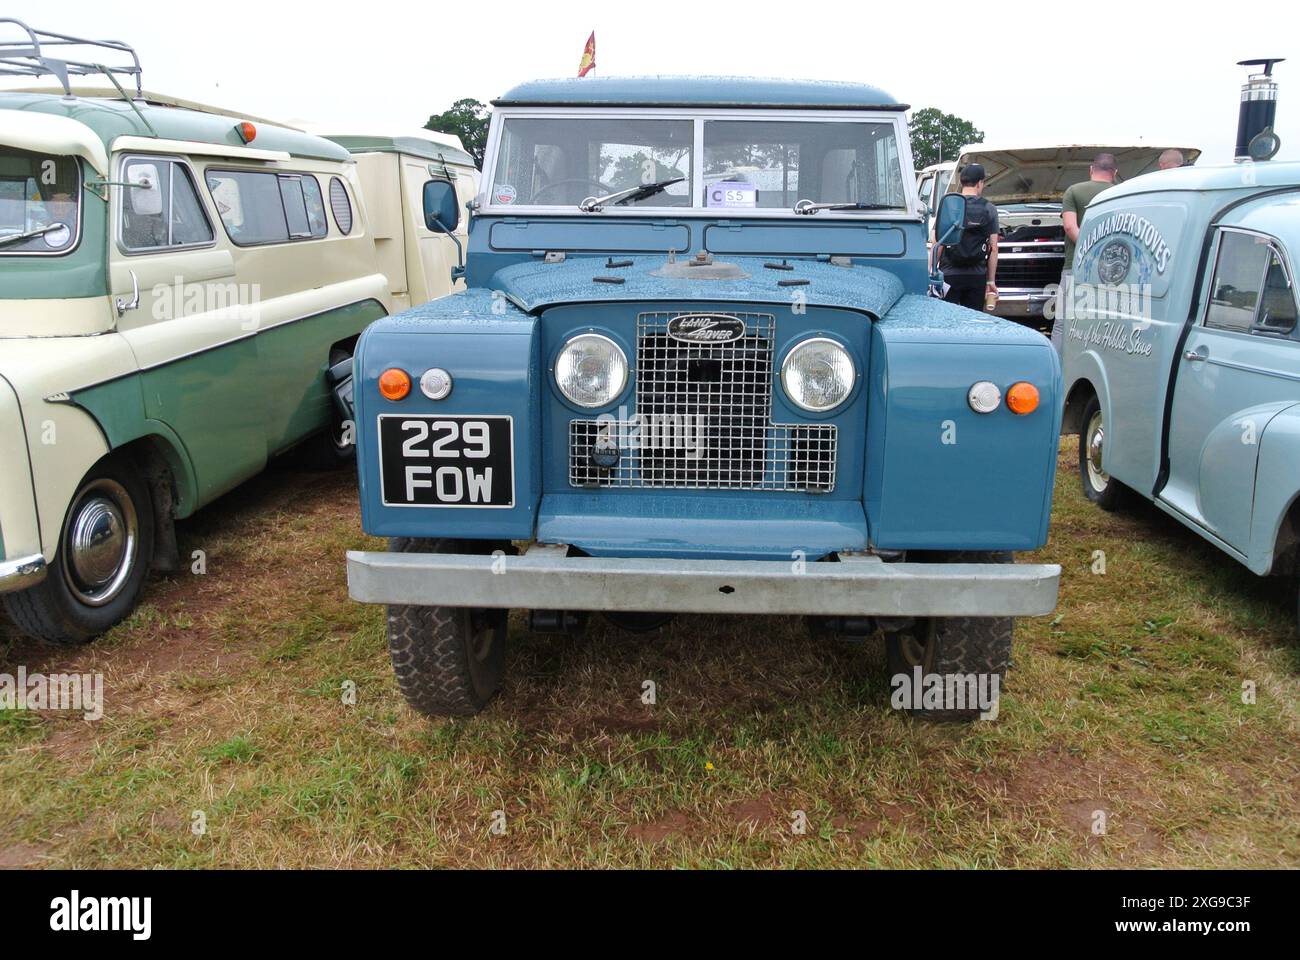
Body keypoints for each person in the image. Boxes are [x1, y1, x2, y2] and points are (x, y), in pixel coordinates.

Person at [1054, 153, 1118, 352]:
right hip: (1112, 272)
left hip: (1075, 265)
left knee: (1062, 322)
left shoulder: (1074, 191)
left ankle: (1058, 370)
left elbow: (1070, 228)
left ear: (1091, 169)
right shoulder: (1121, 193)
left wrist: (1090, 253)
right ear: (1115, 173)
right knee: (1104, 323)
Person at [937, 162, 998, 310]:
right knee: (972, 323)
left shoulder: (948, 205)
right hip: (976, 275)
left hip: (949, 275)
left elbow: (937, 242)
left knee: (946, 322)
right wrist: (990, 282)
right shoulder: (989, 208)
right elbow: (994, 248)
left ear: (962, 182)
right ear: (979, 183)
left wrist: (931, 272)